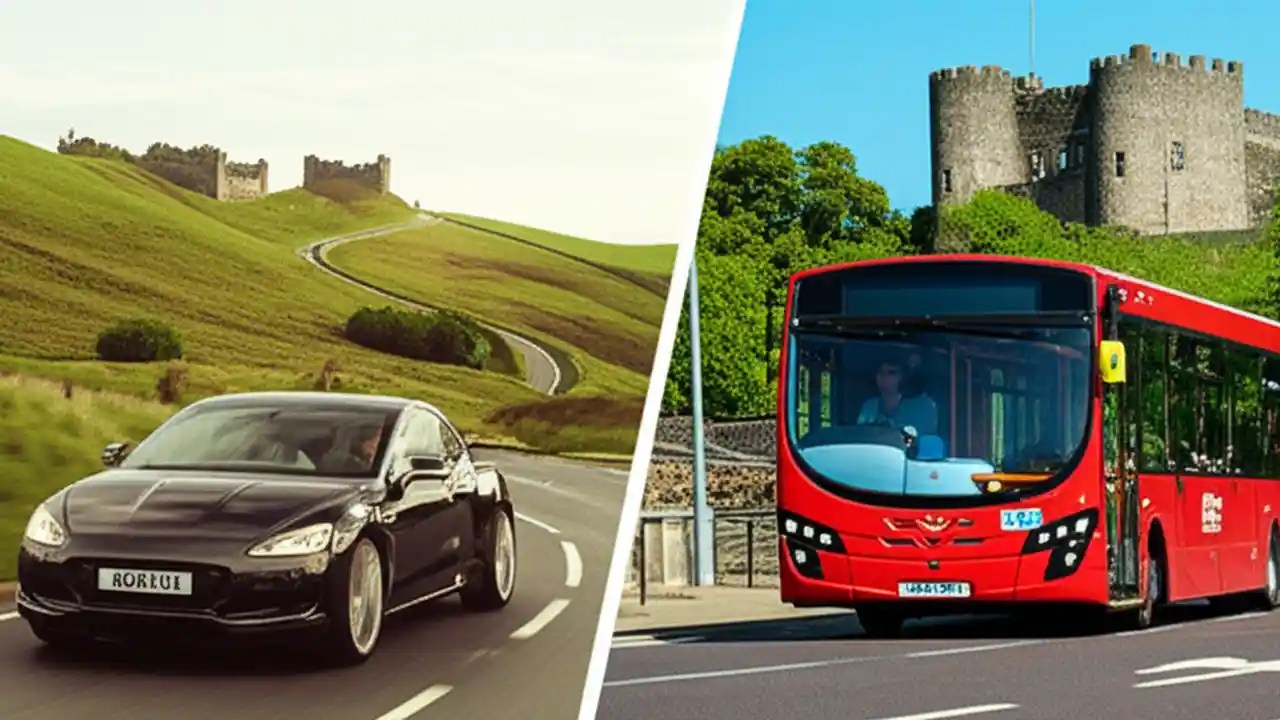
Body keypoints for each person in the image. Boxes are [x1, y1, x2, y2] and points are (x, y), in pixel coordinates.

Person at [857, 356, 938, 436]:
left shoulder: (924, 406)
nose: (883, 376)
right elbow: (862, 435)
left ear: (903, 376)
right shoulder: (870, 405)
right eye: (880, 372)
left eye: (891, 373)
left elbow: (922, 439)